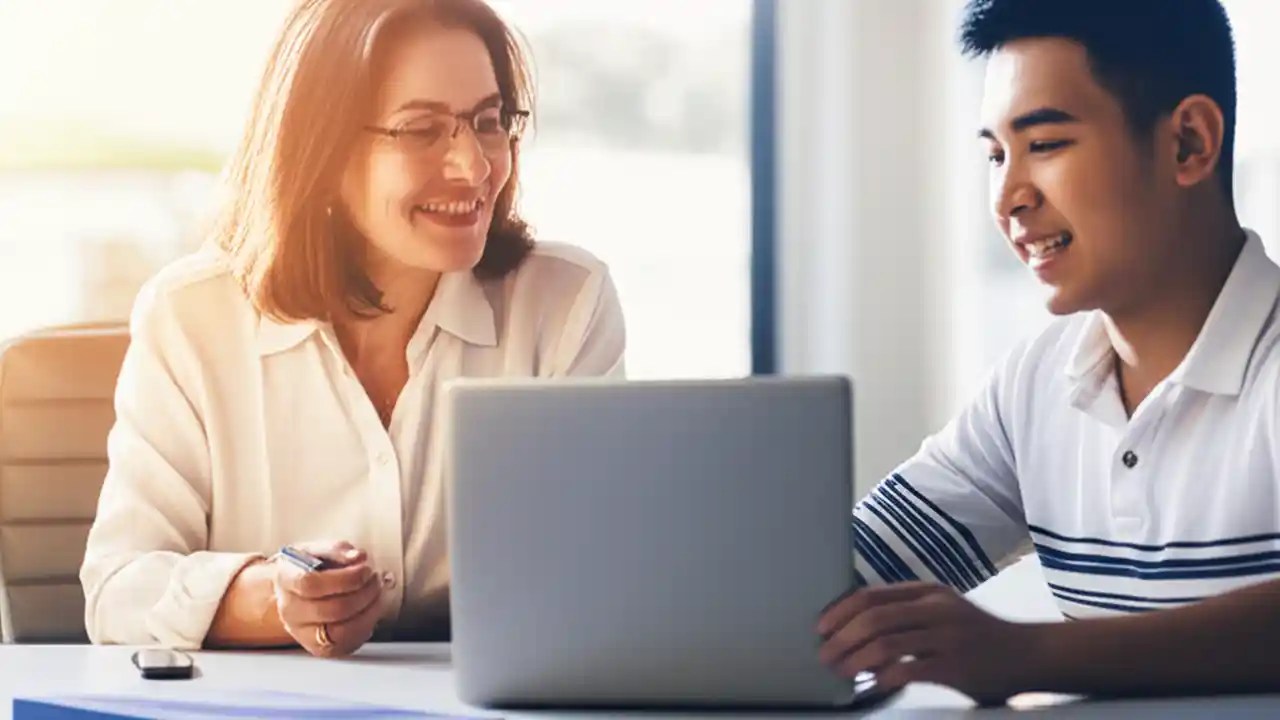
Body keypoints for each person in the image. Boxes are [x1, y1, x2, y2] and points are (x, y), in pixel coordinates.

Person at [80, 0, 625, 657]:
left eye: (488, 121)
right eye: (423, 130)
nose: (474, 166)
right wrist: (270, 596)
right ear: (323, 148)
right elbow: (118, 588)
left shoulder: (566, 304)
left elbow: (607, 581)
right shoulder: (191, 319)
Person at [816, 0, 1280, 704]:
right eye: (994, 156)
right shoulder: (1034, 385)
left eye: (1046, 145)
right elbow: (848, 576)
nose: (1007, 197)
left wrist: (1031, 655)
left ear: (1189, 143)